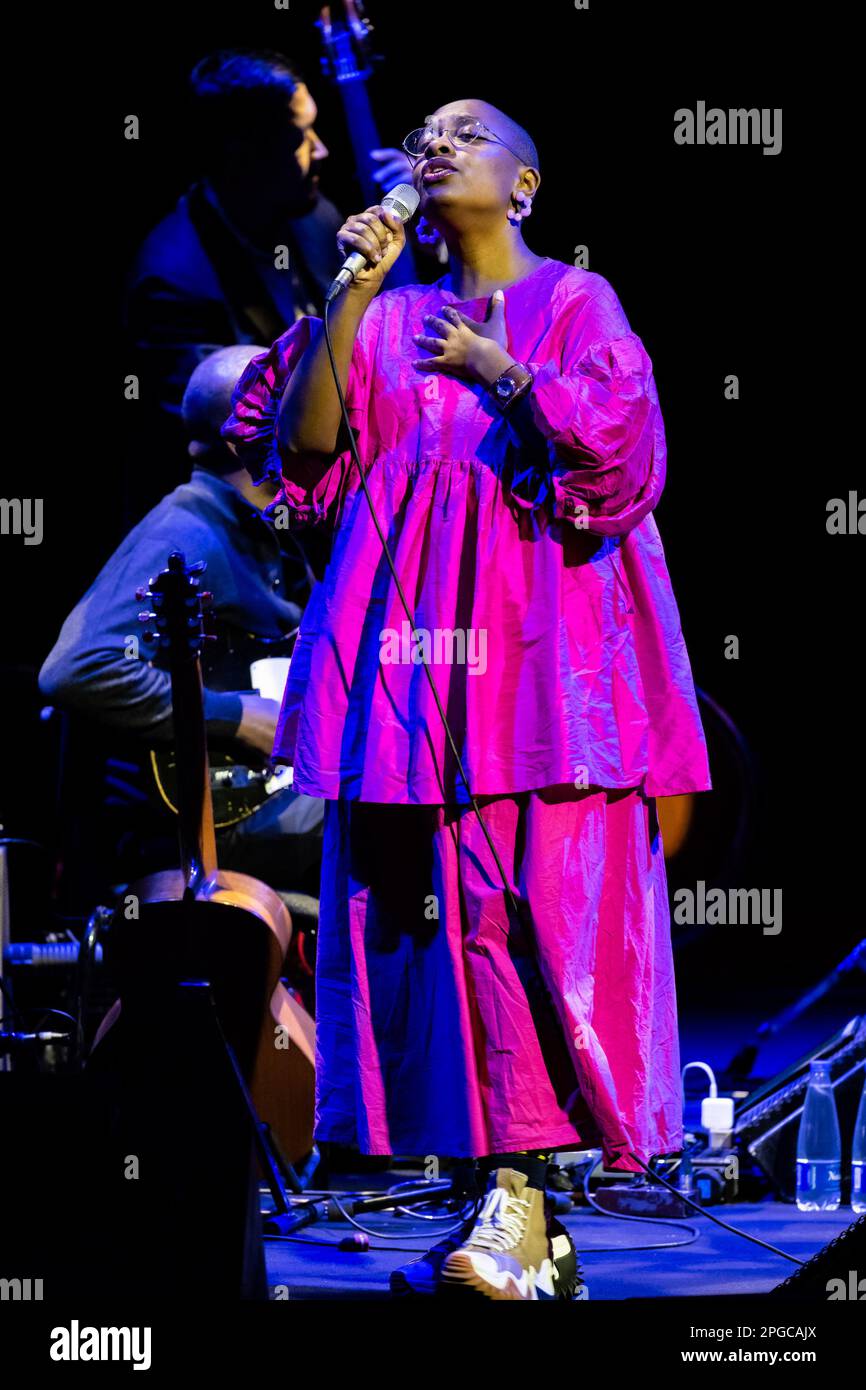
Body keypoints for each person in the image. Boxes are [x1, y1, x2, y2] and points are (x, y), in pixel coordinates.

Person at [222, 99, 712, 1301]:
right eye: (423, 132)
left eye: (467, 133)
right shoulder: (385, 316)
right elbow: (305, 448)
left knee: (526, 908)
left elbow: (618, 465)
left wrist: (502, 374)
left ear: (526, 183)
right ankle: (490, 1199)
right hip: (414, 667)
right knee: (421, 919)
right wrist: (346, 290)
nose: (434, 143)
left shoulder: (573, 307)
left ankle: (523, 1191)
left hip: (542, 666)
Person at [39, 346, 324, 902]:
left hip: (260, 799)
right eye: (301, 400)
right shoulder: (186, 533)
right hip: (208, 820)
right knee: (391, 809)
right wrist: (239, 717)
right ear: (258, 429)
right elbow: (74, 668)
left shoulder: (264, 527)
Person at [124, 48, 418, 521]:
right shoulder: (173, 282)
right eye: (300, 136)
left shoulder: (314, 214)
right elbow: (238, 443)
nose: (321, 149)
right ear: (245, 148)